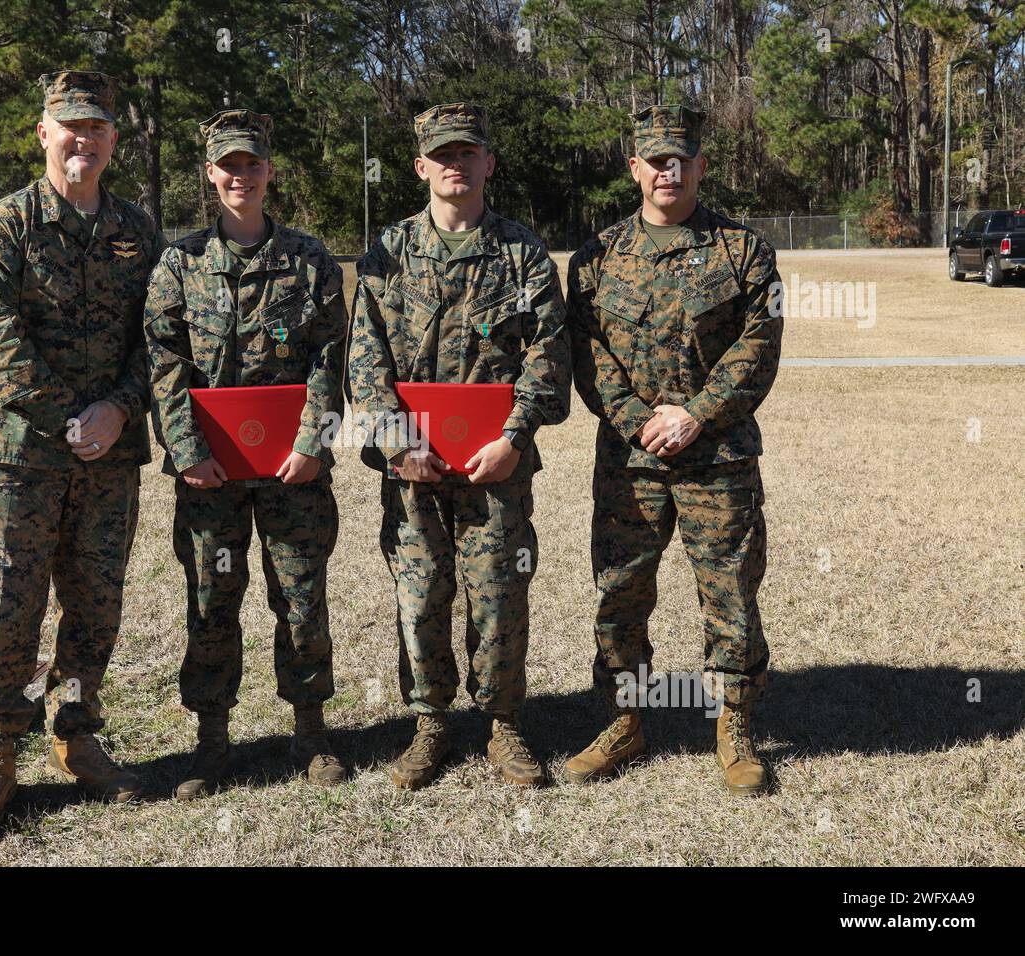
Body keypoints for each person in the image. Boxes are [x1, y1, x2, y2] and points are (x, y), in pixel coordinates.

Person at [0, 70, 163, 835]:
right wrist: (72, 416)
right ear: (44, 133)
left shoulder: (138, 230)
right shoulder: (3, 224)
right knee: (8, 607)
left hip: (109, 455)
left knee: (94, 606)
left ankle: (76, 739)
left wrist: (118, 409)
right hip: (18, 455)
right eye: (68, 126)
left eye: (97, 128)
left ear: (113, 140)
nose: (83, 139)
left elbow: (159, 338)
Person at [347, 103, 571, 790]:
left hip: (495, 466)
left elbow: (547, 350)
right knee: (420, 597)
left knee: (499, 594)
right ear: (420, 166)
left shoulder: (521, 252)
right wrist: (395, 441)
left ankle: (504, 725)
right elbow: (365, 359)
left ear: (487, 163)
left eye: (468, 152)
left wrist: (515, 435)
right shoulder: (389, 252)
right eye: (442, 153)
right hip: (413, 468)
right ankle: (430, 724)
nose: (455, 163)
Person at [564, 104, 782, 795]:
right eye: (655, 159)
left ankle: (734, 726)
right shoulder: (597, 257)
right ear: (634, 168)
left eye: (680, 157)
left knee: (731, 595)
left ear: (700, 166)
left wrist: (695, 415)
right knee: (620, 591)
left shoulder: (744, 251)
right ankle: (626, 719)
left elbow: (758, 349)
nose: (668, 169)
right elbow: (586, 353)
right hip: (631, 463)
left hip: (716, 457)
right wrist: (637, 419)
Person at [146, 109, 349, 800]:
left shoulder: (308, 259)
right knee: (210, 602)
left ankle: (311, 730)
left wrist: (314, 442)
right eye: (228, 165)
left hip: (293, 471)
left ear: (269, 171)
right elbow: (165, 362)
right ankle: (211, 739)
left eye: (252, 163)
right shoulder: (180, 263)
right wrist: (184, 448)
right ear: (211, 174)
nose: (241, 175)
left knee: (301, 597)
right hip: (209, 474)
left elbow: (331, 356)